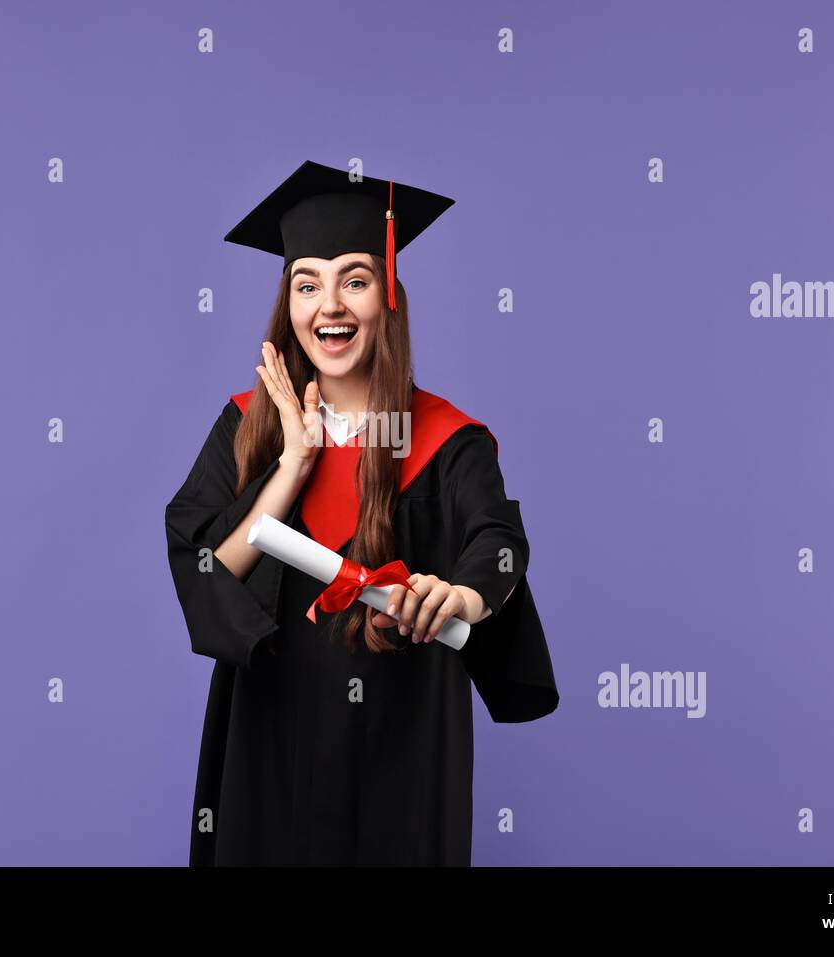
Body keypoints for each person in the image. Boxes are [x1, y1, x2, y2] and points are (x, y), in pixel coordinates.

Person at [164, 160, 558, 866]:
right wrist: (292, 465)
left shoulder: (447, 439)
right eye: (306, 283)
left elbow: (496, 540)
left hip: (399, 751)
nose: (329, 305)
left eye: (355, 278)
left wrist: (459, 595)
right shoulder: (246, 427)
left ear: (388, 298)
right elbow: (205, 569)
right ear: (288, 304)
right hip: (268, 745)